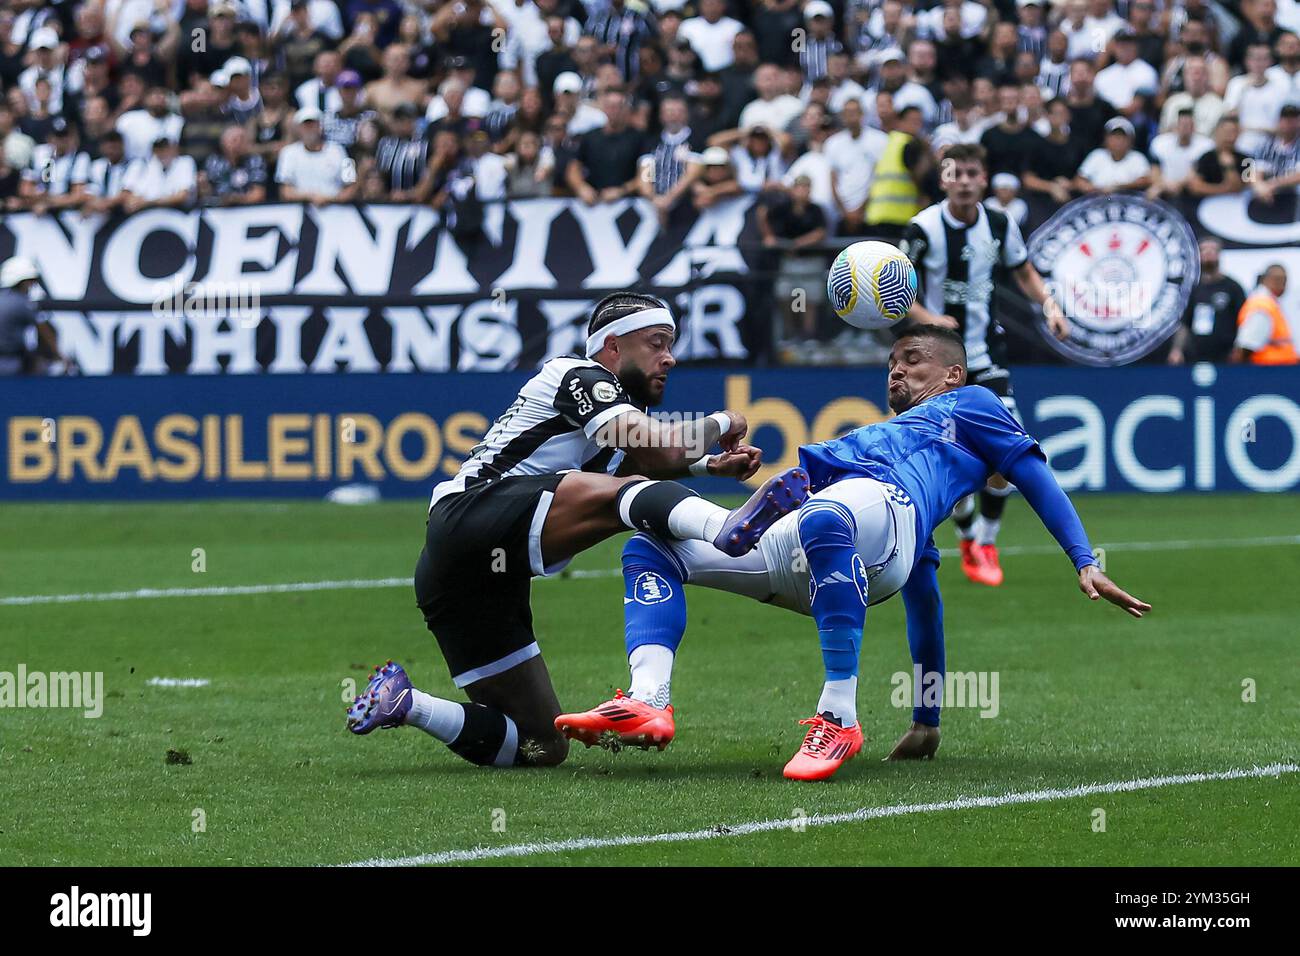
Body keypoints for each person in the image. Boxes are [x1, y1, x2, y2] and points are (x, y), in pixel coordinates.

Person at [555, 325, 1150, 780]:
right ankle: (647, 698)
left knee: (830, 510)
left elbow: (1036, 477)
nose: (896, 373)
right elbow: (926, 611)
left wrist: (1083, 558)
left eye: (912, 362)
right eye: (890, 364)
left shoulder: (973, 406)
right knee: (651, 547)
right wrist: (926, 721)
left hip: (870, 516)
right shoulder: (882, 444)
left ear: (954, 375)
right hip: (831, 544)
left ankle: (838, 717)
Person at [346, 294, 813, 768]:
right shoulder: (579, 375)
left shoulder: (622, 411)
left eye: (669, 345)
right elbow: (656, 455)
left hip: (463, 575)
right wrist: (727, 420)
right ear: (612, 346)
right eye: (656, 343)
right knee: (627, 498)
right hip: (470, 515)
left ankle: (406, 703)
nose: (669, 357)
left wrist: (712, 464)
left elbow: (647, 465)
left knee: (541, 744)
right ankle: (725, 528)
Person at [902, 143, 1068, 587]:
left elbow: (1024, 270)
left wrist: (1050, 304)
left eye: (973, 173)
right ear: (943, 180)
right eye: (955, 173)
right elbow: (897, 292)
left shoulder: (999, 223)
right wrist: (929, 318)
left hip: (986, 355)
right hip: (936, 362)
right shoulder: (922, 229)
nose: (964, 181)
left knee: (1005, 452)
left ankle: (986, 540)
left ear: (984, 179)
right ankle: (966, 529)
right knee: (951, 458)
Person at [1168, 239, 1247, 365]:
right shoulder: (1193, 289)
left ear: (1219, 254)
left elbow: (1244, 321)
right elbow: (1184, 324)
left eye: (1212, 250)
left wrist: (1239, 349)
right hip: (1196, 354)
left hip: (1226, 355)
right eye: (1204, 250)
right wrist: (1177, 350)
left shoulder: (1233, 287)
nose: (1208, 253)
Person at [0, 257, 68, 375]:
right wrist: (61, 358)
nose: (32, 285)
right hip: (11, 364)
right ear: (20, 281)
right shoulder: (22, 303)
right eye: (30, 281)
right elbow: (45, 331)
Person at [1234, 264, 1298, 364]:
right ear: (1265, 279)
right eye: (1277, 279)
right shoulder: (1262, 305)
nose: (1282, 285)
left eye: (1284, 280)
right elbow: (1247, 345)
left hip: (1280, 368)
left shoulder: (1271, 303)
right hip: (1268, 370)